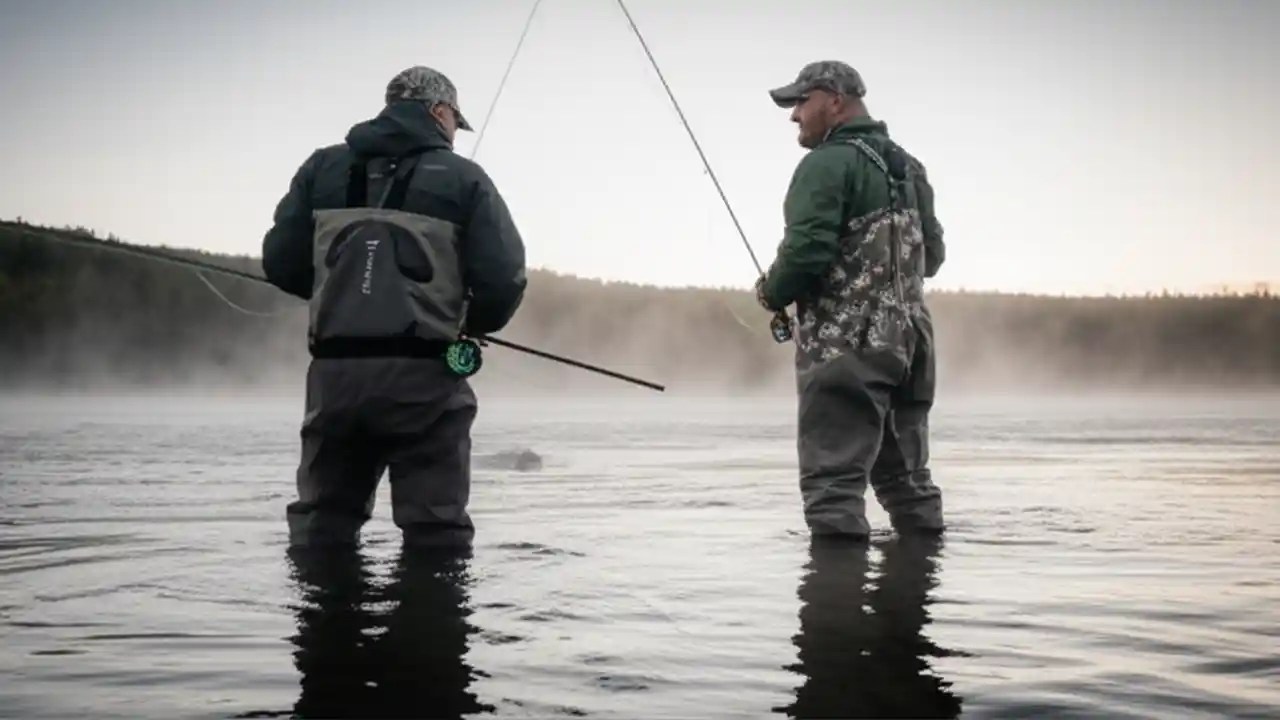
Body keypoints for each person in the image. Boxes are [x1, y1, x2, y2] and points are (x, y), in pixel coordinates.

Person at [262, 65, 527, 550]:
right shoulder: (465, 179)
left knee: (323, 526)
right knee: (435, 530)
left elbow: (280, 263)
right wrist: (474, 325)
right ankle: (431, 621)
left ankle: (322, 620)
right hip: (425, 380)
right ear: (438, 111)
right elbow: (504, 275)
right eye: (453, 121)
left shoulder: (320, 168)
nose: (453, 133)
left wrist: (345, 297)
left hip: (334, 378)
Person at [755, 61, 946, 539]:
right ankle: (918, 601)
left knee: (833, 491)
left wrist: (769, 292)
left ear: (834, 100)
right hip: (912, 348)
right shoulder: (909, 166)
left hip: (847, 350)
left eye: (802, 101)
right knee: (909, 485)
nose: (795, 115)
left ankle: (833, 607)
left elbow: (806, 254)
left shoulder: (825, 164)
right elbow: (932, 258)